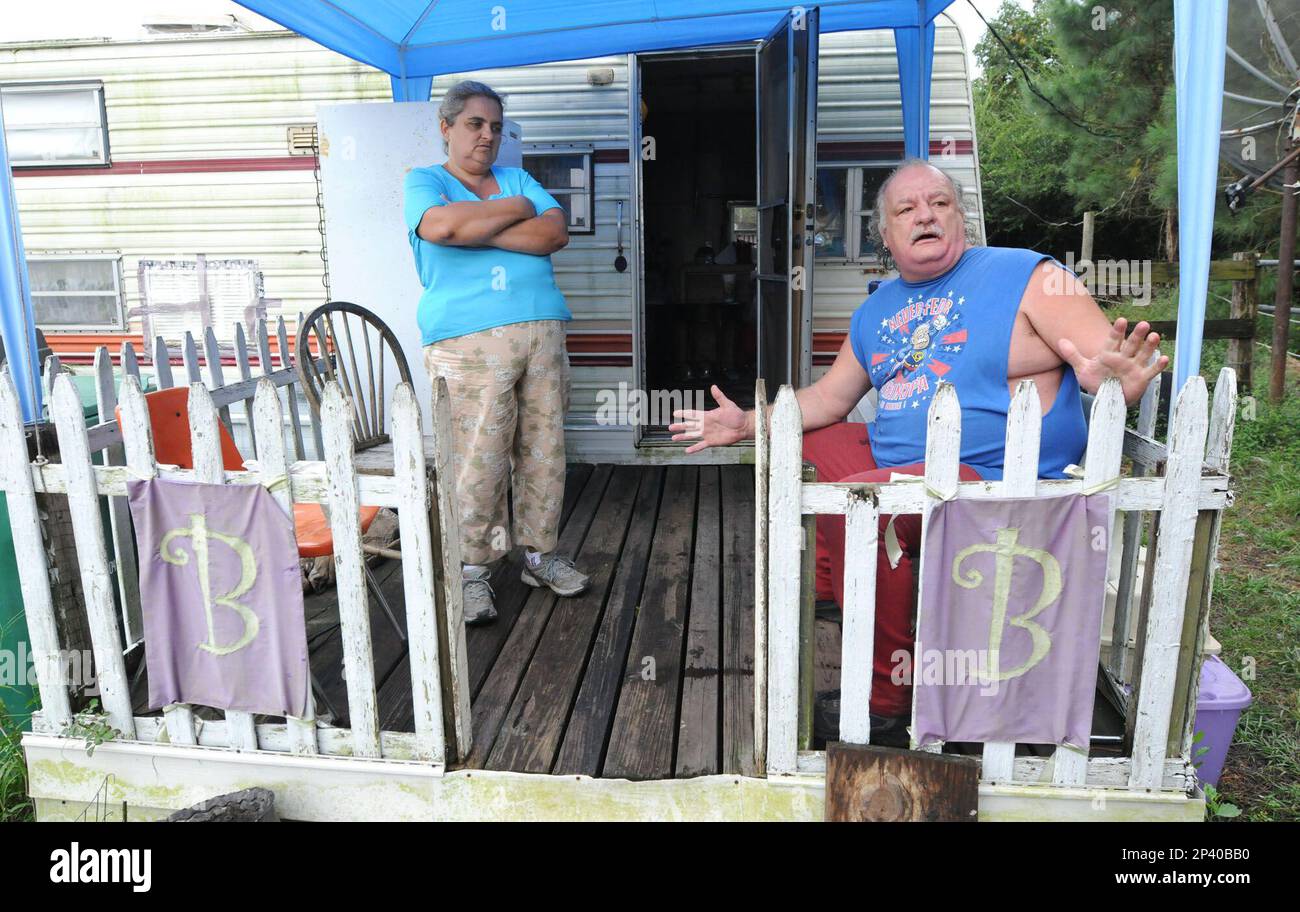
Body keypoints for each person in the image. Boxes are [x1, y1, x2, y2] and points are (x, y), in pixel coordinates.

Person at [668, 158, 1166, 744]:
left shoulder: (1029, 276)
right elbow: (829, 398)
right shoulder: (876, 310)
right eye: (906, 209)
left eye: (939, 203)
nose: (924, 215)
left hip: (988, 477)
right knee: (818, 441)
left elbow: (1101, 360)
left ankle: (885, 700)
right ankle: (839, 593)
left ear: (961, 216)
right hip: (906, 463)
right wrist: (747, 422)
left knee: (870, 505)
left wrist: (1116, 380)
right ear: (887, 235)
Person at [403, 80, 590, 625]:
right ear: (446, 127)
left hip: (542, 334)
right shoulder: (426, 181)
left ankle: (538, 555)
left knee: (544, 448)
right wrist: (514, 211)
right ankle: (471, 571)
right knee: (477, 457)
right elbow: (439, 225)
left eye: (496, 127)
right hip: (466, 339)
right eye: (475, 124)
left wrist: (471, 228)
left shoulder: (517, 176)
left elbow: (552, 235)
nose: (488, 136)